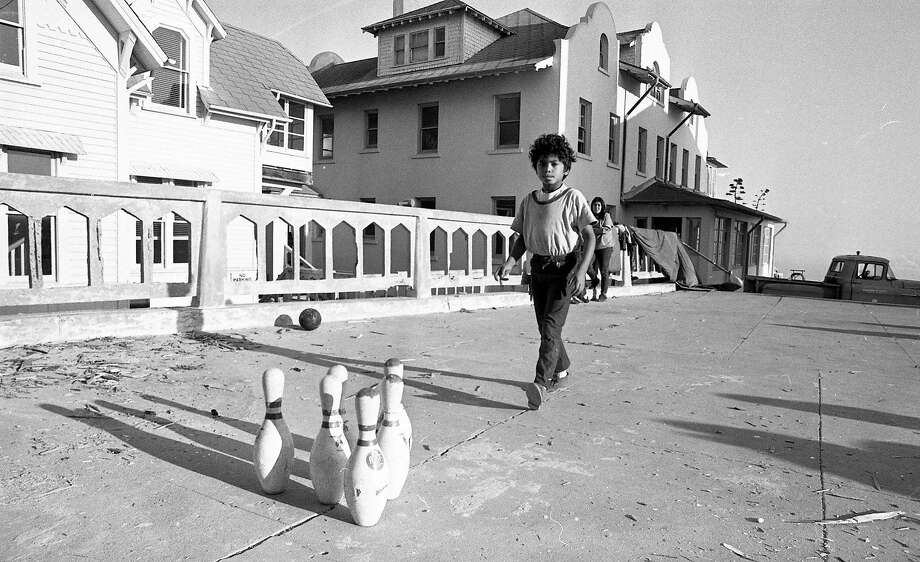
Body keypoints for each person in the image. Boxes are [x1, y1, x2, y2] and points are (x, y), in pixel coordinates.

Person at [494, 134, 596, 410]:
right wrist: (510, 261)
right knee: (545, 327)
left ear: (566, 168)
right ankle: (562, 367)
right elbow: (523, 237)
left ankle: (540, 383)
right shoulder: (529, 200)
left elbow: (590, 236)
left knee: (551, 327)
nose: (547, 169)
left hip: (565, 271)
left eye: (554, 164)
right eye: (542, 164)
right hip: (539, 270)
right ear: (535, 167)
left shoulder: (573, 197)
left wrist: (581, 272)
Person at [586, 196, 616, 302]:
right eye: (595, 205)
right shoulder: (589, 216)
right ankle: (595, 279)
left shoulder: (606, 215)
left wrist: (592, 230)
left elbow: (605, 229)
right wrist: (594, 230)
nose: (596, 207)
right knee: (587, 265)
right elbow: (584, 229)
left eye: (598, 205)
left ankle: (603, 293)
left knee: (604, 270)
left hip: (605, 246)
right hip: (592, 246)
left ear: (602, 206)